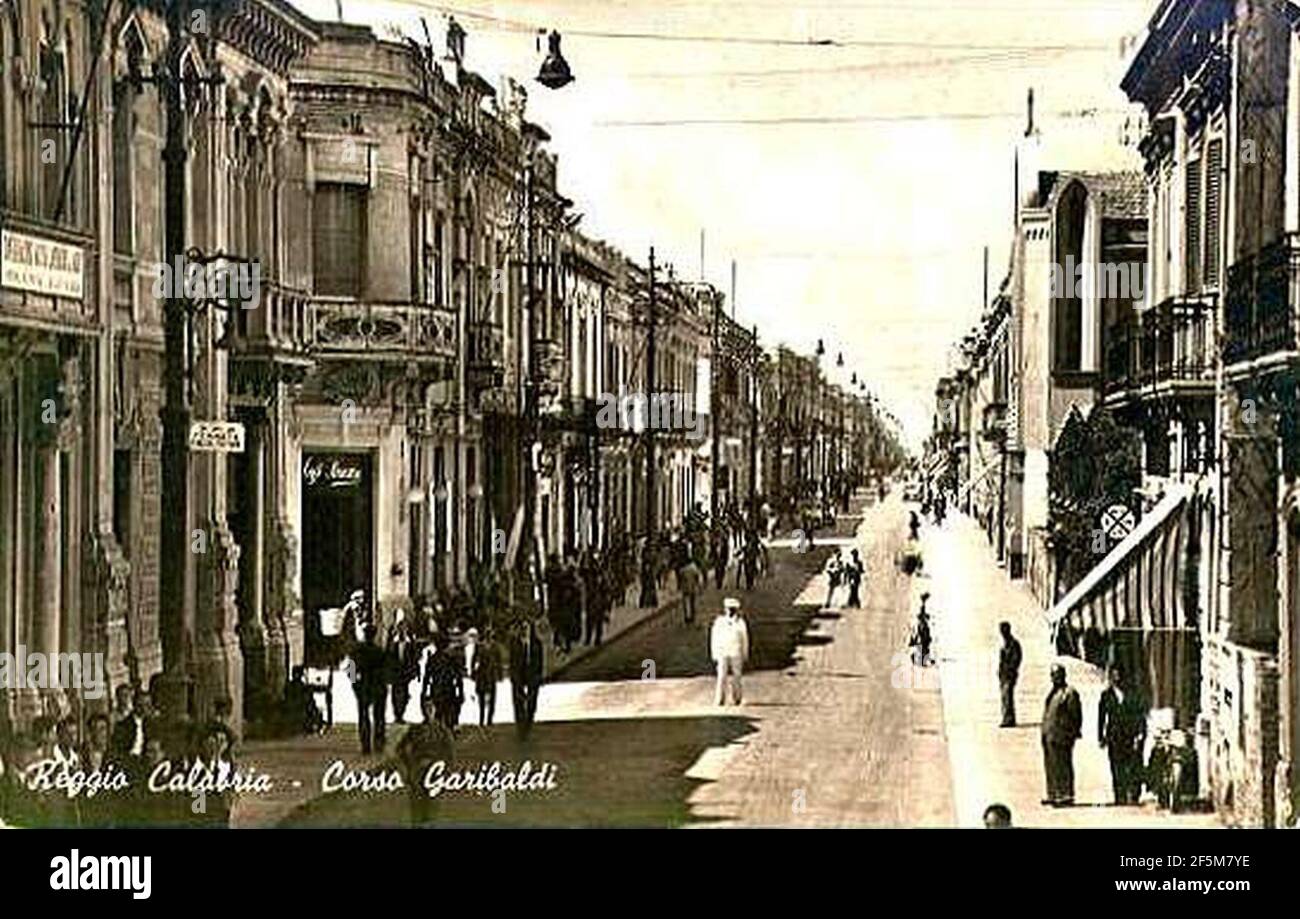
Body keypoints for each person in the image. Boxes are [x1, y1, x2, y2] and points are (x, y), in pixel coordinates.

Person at [397, 699, 456, 826]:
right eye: (425, 709)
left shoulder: (442, 731)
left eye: (430, 709)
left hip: (434, 771)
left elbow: (449, 753)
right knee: (417, 805)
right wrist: (410, 764)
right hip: (418, 770)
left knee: (431, 805)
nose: (428, 712)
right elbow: (400, 749)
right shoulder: (415, 729)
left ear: (435, 711)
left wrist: (445, 771)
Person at [1098, 666, 1146, 805]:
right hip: (1114, 736)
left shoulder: (1133, 694)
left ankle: (1133, 794)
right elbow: (1101, 717)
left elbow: (1139, 715)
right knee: (1116, 766)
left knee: (1132, 764)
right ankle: (1120, 795)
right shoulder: (1106, 695)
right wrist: (1100, 736)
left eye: (1119, 676)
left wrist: (1140, 733)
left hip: (1130, 735)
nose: (1116, 679)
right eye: (1114, 677)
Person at [1041, 663, 1083, 806]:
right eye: (1052, 675)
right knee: (1051, 766)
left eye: (1057, 675)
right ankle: (1053, 793)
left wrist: (1072, 733)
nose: (1054, 678)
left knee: (1063, 766)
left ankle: (1065, 794)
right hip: (1049, 735)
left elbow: (1076, 715)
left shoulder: (1069, 693)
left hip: (1062, 736)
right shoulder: (1052, 693)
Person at [350, 623, 389, 755]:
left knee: (363, 716)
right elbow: (385, 670)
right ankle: (378, 742)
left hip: (363, 685)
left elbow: (351, 669)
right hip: (378, 686)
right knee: (379, 717)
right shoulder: (379, 652)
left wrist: (354, 684)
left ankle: (365, 744)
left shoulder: (357, 652)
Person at [710, 597, 750, 706]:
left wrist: (745, 653)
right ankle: (720, 699)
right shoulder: (719, 622)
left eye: (733, 609)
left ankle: (737, 698)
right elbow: (714, 638)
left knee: (737, 676)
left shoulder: (740, 623)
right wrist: (714, 652)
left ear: (737, 610)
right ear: (725, 609)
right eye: (729, 609)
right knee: (721, 676)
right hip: (723, 652)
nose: (731, 611)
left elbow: (744, 639)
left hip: (736, 652)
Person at [508, 620, 545, 739]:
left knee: (531, 702)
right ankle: (520, 726)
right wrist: (513, 676)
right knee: (517, 701)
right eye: (522, 628)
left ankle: (528, 723)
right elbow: (512, 662)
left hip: (532, 676)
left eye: (526, 628)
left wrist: (539, 676)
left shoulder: (537, 644)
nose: (524, 630)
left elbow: (540, 661)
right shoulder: (514, 643)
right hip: (518, 675)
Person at [423, 640, 465, 732]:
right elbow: (458, 676)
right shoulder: (451, 659)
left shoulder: (432, 659)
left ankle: (442, 731)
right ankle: (449, 728)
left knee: (439, 712)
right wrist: (461, 691)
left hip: (436, 689)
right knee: (448, 711)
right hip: (448, 689)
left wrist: (425, 691)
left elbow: (427, 677)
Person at [387, 608, 419, 725]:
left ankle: (401, 712)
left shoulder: (409, 640)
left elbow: (414, 655)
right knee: (396, 693)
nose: (401, 627)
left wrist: (415, 670)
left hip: (405, 672)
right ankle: (397, 714)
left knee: (404, 693)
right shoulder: (393, 640)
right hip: (395, 672)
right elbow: (388, 654)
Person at [473, 628, 503, 726]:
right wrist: (474, 672)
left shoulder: (495, 647)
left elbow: (499, 661)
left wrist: (499, 673)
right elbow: (474, 660)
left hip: (491, 675)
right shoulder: (479, 646)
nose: (489, 637)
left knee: (492, 698)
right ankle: (482, 719)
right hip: (482, 674)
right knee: (481, 698)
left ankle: (489, 719)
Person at [998, 622, 1023, 727]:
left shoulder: (1014, 644)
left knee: (1008, 696)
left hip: (1010, 674)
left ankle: (1009, 719)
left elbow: (1017, 659)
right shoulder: (1005, 644)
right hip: (1004, 675)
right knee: (1004, 697)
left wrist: (1011, 669)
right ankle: (1006, 717)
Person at [677, 555, 703, 624]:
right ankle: (692, 616)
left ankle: (686, 616)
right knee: (692, 602)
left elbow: (680, 579)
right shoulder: (694, 568)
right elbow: (697, 578)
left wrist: (679, 587)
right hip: (692, 587)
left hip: (685, 588)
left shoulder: (682, 570)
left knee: (685, 603)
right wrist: (699, 587)